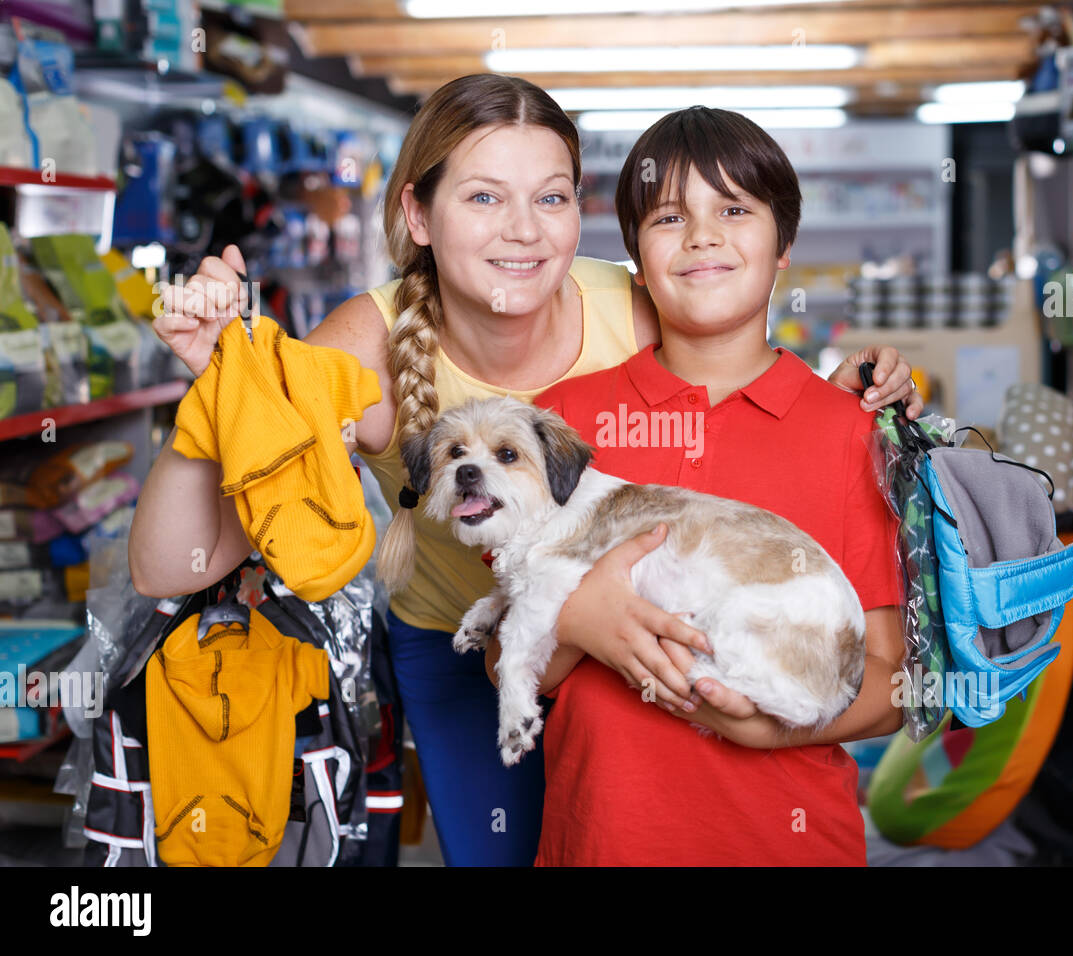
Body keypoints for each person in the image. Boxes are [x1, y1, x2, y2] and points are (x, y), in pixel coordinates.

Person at [129, 74, 922, 867]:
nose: (523, 232)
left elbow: (747, 403)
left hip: (668, 650)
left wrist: (856, 408)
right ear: (417, 215)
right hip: (462, 637)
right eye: (482, 198)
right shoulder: (363, 350)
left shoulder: (641, 298)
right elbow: (169, 565)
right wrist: (219, 396)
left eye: (551, 198)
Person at [506, 105, 905, 866]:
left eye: (734, 209)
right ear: (635, 254)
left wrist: (777, 725)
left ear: (783, 244)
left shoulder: (849, 433)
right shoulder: (561, 426)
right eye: (668, 217)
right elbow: (505, 665)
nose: (702, 237)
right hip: (604, 840)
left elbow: (890, 682)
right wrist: (580, 616)